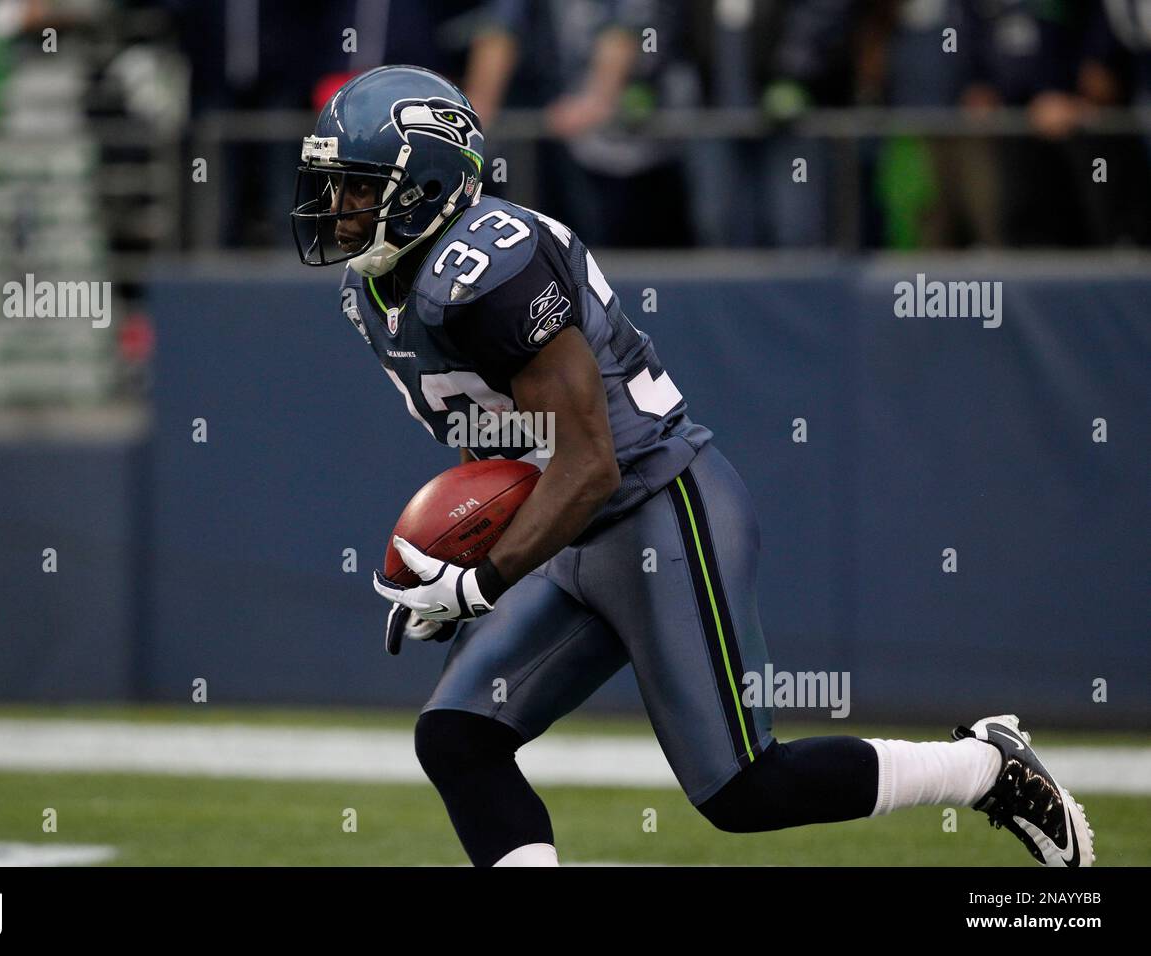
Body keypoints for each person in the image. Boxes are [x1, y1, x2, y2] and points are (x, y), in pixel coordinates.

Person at [289, 64, 1095, 868]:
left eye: (356, 187)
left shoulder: (492, 262)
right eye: (331, 187)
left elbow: (591, 461)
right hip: (570, 536)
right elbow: (498, 439)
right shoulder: (373, 296)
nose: (336, 208)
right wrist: (458, 560)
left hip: (656, 508)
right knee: (459, 739)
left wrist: (482, 579)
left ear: (427, 184)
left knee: (745, 790)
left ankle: (988, 768)